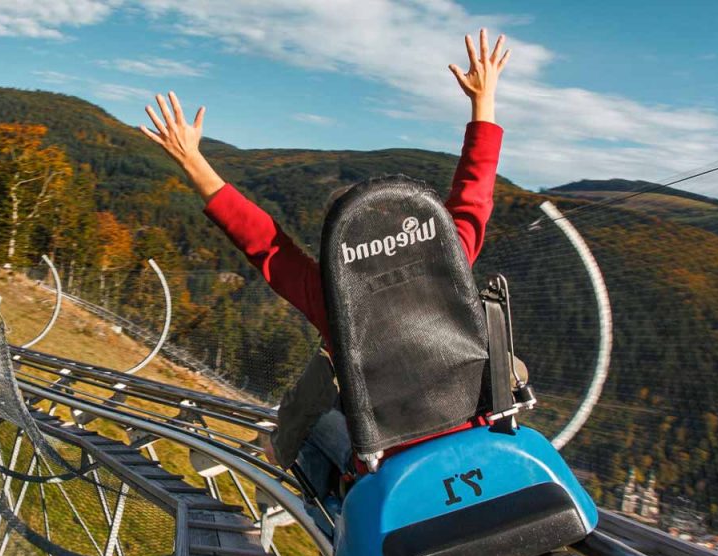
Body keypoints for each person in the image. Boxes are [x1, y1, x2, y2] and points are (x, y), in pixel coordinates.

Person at [141, 29, 512, 508]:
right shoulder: (451, 260)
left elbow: (265, 243)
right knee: (328, 376)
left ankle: (279, 456)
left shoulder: (331, 294)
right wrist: (484, 102)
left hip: (388, 466)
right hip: (471, 439)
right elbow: (473, 194)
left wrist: (194, 163)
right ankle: (277, 449)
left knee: (319, 391)